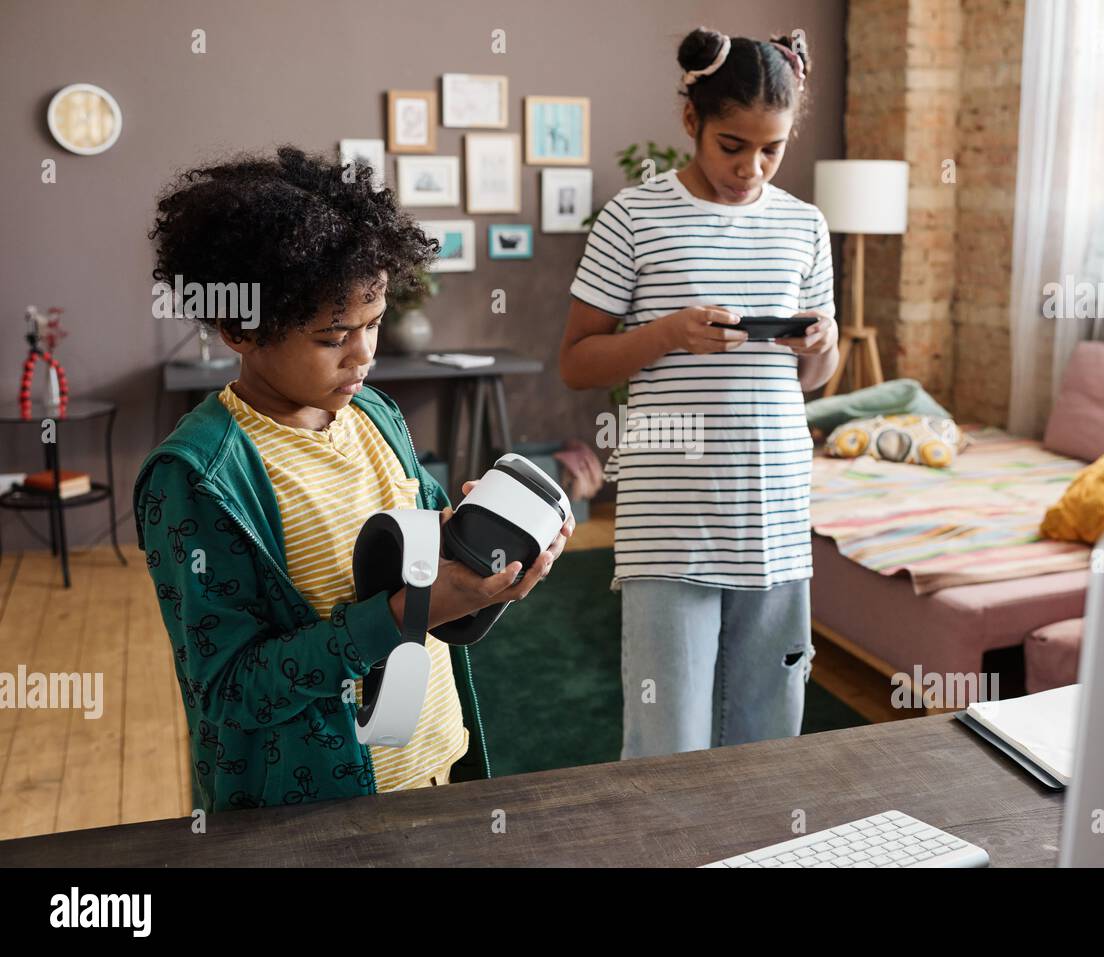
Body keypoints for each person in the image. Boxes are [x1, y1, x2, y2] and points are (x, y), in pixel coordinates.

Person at [136, 146, 571, 812]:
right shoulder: (198, 478)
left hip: (438, 766)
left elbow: (426, 551)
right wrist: (404, 615)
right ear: (238, 328)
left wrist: (483, 557)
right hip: (316, 815)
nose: (365, 353)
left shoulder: (374, 412)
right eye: (333, 334)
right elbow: (229, 689)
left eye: (373, 322)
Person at [559, 27, 838, 758]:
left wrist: (823, 346)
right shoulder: (633, 216)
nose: (752, 168)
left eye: (772, 149)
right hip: (671, 513)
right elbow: (577, 362)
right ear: (692, 122)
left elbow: (812, 380)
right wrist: (667, 335)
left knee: (769, 734)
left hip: (775, 506)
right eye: (732, 145)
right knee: (667, 738)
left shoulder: (806, 226)